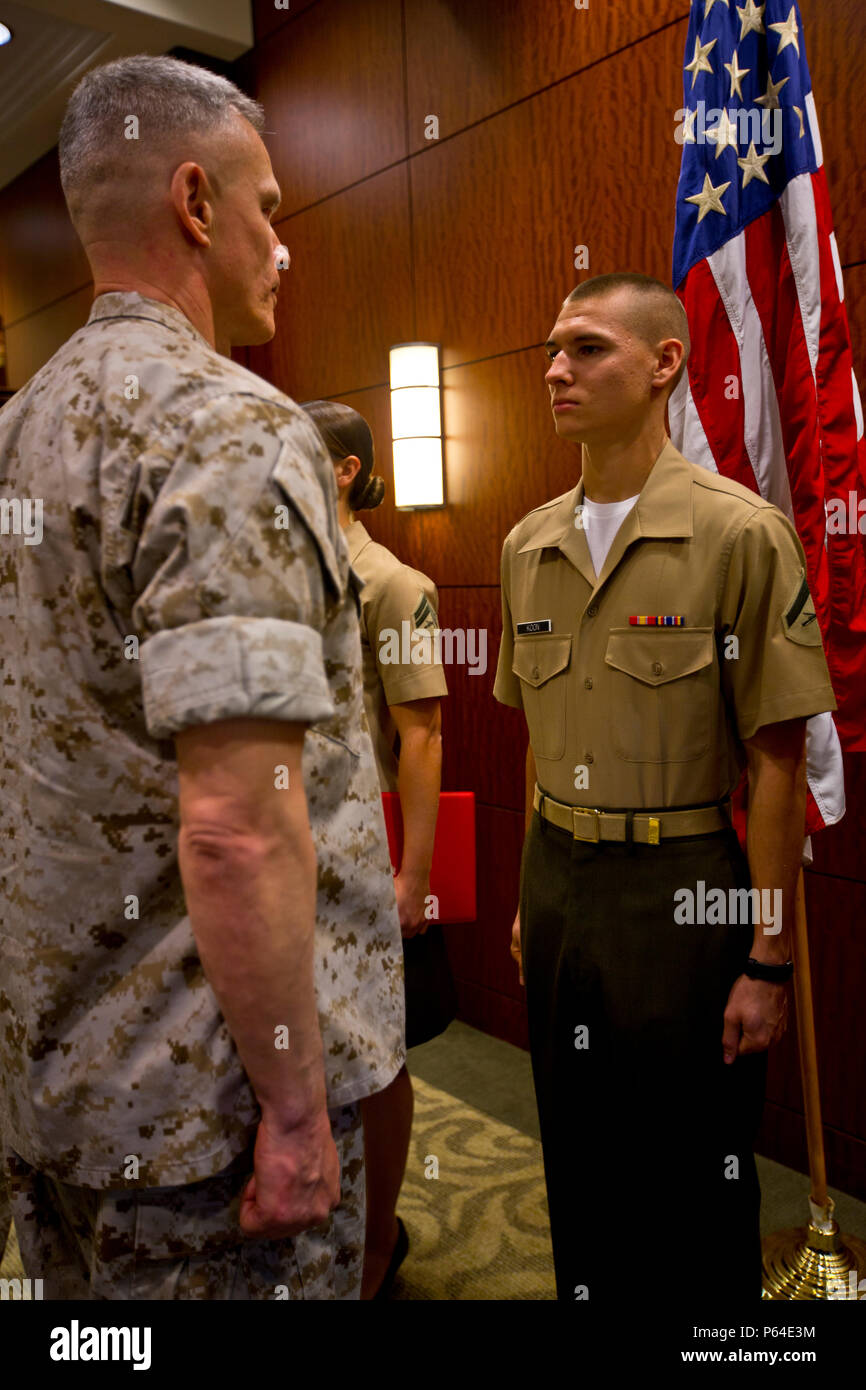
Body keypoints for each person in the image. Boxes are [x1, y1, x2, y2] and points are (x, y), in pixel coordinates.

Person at [0, 55, 404, 1300]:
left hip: (54, 1087)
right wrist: (291, 1109)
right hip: (207, 1123)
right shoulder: (229, 429)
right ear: (195, 199)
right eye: (269, 205)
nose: (282, 241)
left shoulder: (15, 433)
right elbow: (236, 824)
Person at [493, 272, 837, 1302]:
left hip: (683, 890)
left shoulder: (737, 534)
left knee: (693, 1170)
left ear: (663, 364)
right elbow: (534, 746)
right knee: (576, 1148)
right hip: (559, 883)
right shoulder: (526, 544)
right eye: (550, 349)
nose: (555, 369)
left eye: (586, 347)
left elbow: (776, 762)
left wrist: (767, 956)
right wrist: (523, 897)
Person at [301, 400, 455, 1299]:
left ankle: (374, 1249)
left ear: (347, 471)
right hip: (302, 860)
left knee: (378, 1057)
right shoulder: (290, 573)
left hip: (371, 861)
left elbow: (422, 736)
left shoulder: (393, 584)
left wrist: (416, 881)